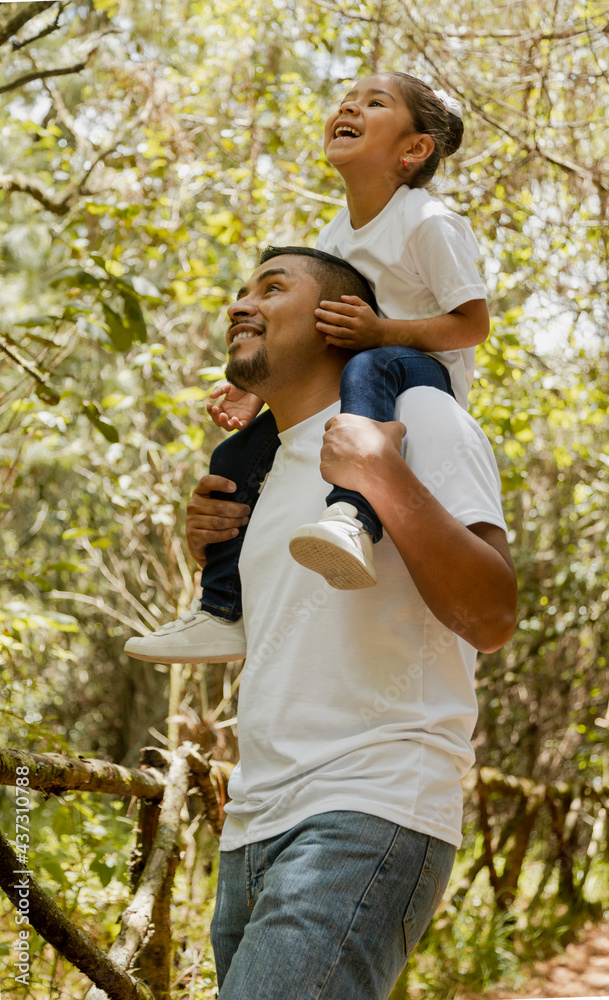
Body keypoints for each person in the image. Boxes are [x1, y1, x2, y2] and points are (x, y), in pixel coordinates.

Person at [184, 247, 516, 1000]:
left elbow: (492, 616)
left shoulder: (419, 416)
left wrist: (381, 473)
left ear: (337, 320)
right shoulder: (264, 465)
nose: (241, 304)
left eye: (272, 288)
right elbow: (292, 636)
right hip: (253, 819)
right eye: (240, 290)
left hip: (371, 803)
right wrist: (205, 550)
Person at [124, 70, 488, 665]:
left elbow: (471, 324)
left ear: (414, 149)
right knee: (234, 457)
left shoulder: (428, 222)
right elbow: (314, 332)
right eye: (345, 100)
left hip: (419, 373)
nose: (349, 108)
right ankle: (220, 610)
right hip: (358, 376)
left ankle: (352, 518)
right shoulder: (334, 235)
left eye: (374, 103)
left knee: (369, 364)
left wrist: (382, 333)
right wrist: (258, 390)